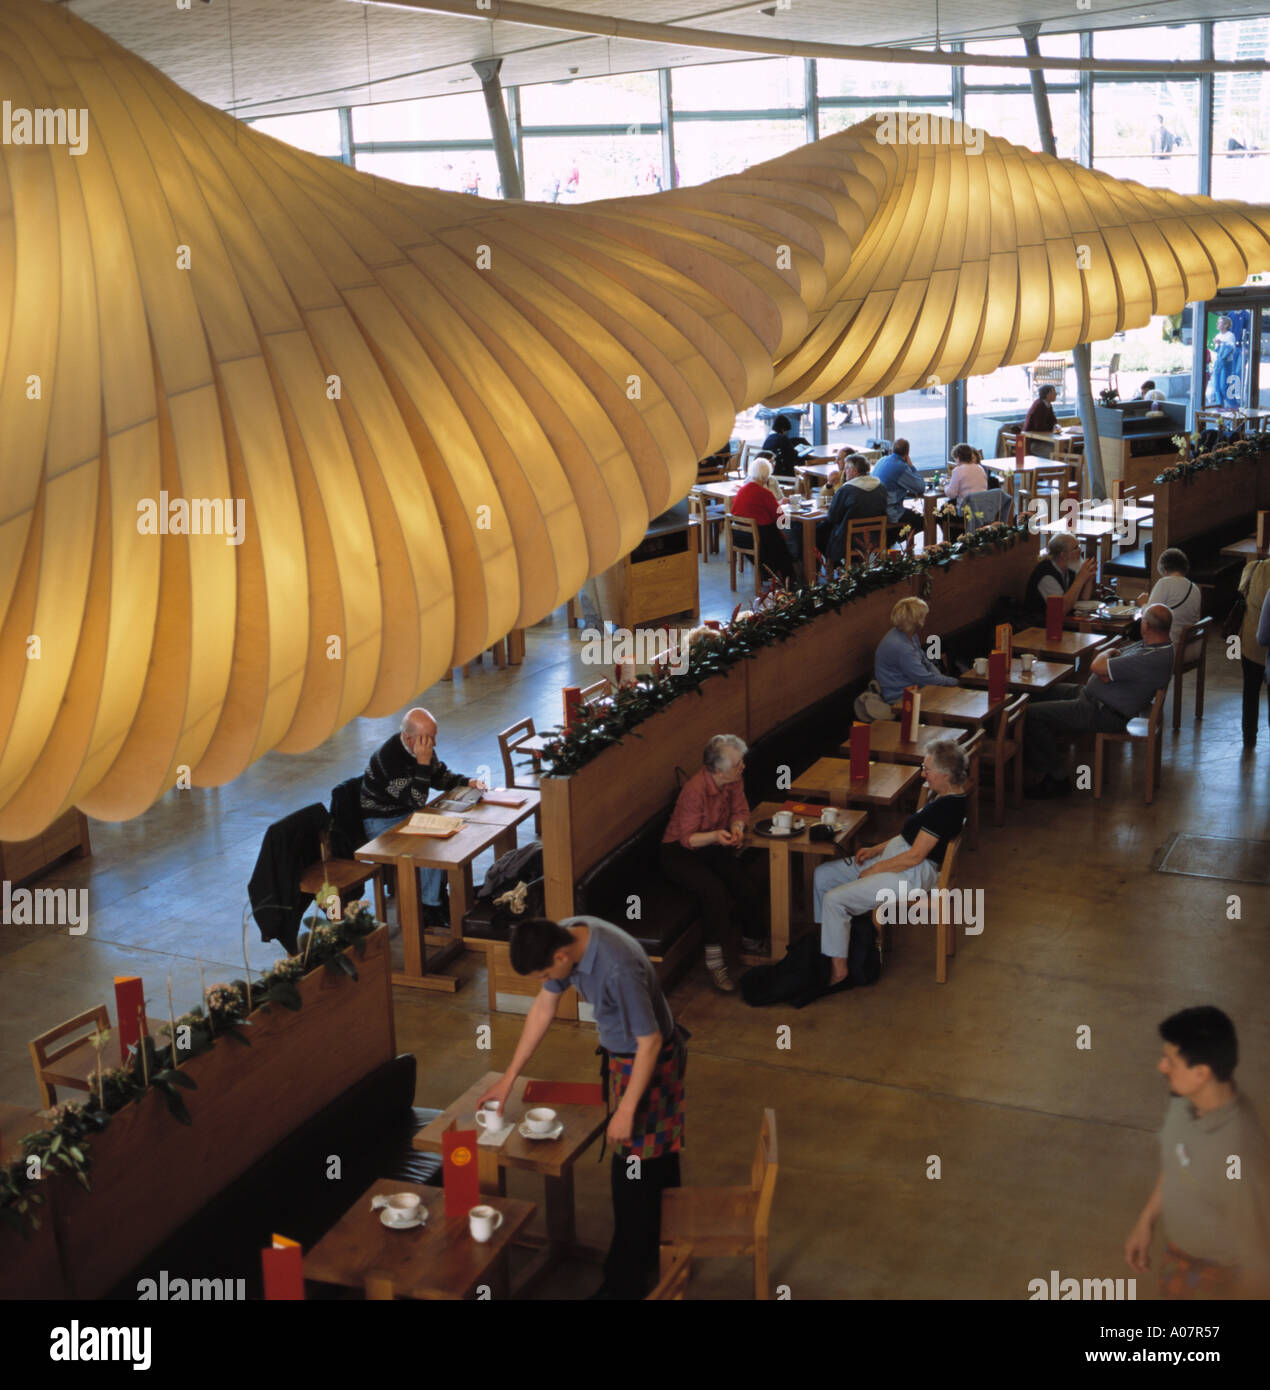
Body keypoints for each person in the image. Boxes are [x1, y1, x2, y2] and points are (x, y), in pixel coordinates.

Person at [476, 917, 688, 1300]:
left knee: (631, 1180)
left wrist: (625, 1110)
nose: (545, 981)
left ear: (559, 956)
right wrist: (508, 1079)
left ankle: (623, 1286)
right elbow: (544, 1008)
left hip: (650, 1062)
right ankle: (666, 1247)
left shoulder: (617, 967)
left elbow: (651, 1042)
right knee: (655, 1164)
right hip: (623, 1054)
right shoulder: (569, 935)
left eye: (543, 973)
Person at [1124, 1007, 1270, 1299]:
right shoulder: (1185, 1103)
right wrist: (1146, 1220)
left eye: (1170, 1061)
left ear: (1201, 1073)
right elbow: (1178, 1162)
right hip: (1180, 1256)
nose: (1160, 1066)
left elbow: (1259, 1258)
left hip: (1216, 1276)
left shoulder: (1237, 1152)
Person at [813, 739, 969, 986]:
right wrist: (875, 850)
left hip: (910, 876)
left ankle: (839, 971)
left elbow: (915, 856)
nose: (923, 774)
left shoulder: (946, 809)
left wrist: (875, 870)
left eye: (927, 769)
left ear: (945, 774)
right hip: (896, 864)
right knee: (823, 875)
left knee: (834, 899)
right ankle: (829, 946)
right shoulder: (944, 796)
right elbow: (909, 837)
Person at [1023, 603, 1176, 798]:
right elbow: (1107, 668)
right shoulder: (1156, 646)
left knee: (1030, 715)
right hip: (1092, 697)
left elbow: (1098, 666)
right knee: (1039, 692)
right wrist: (1108, 667)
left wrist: (1106, 657)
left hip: (1102, 712)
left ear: (1146, 626)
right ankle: (1034, 763)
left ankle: (1056, 777)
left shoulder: (1151, 657)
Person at [360, 708, 486, 925]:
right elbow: (416, 800)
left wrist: (467, 782)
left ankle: (437, 896)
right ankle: (429, 907)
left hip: (406, 813)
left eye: (434, 737)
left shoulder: (421, 746)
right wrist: (422, 763)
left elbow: (439, 776)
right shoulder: (388, 759)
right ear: (408, 738)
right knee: (428, 845)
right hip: (382, 821)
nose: (433, 744)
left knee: (451, 834)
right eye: (429, 739)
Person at [659, 734, 765, 992]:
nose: (743, 767)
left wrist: (737, 827)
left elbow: (740, 810)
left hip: (713, 843)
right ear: (718, 770)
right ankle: (716, 965)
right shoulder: (694, 791)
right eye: (737, 764)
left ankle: (753, 944)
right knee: (714, 892)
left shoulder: (733, 781)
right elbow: (687, 839)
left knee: (744, 883)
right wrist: (718, 836)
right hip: (680, 852)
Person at [874, 597, 960, 704]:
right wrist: (954, 681)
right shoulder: (902, 648)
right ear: (916, 620)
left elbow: (925, 662)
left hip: (916, 688)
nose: (925, 617)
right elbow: (924, 679)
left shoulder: (908, 634)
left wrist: (941, 678)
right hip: (901, 697)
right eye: (923, 615)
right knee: (954, 701)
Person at [729, 457, 797, 584]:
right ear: (767, 476)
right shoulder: (765, 493)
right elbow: (781, 520)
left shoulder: (742, 490)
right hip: (760, 539)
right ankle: (790, 581)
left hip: (739, 536)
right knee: (789, 538)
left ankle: (768, 574)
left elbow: (735, 511)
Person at [818, 453, 887, 569]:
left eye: (846, 469)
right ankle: (853, 564)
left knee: (818, 532)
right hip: (875, 536)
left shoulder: (847, 489)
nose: (844, 473)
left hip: (848, 540)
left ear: (854, 471)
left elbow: (832, 517)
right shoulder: (880, 486)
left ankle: (836, 566)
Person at [1135, 548, 1200, 655]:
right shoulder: (1195, 587)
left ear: (1163, 569)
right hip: (1192, 648)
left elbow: (1149, 618)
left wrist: (1143, 603)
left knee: (1129, 652)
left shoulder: (1164, 583)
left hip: (1170, 650)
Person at [1023, 533, 1097, 622]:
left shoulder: (1070, 567)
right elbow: (1060, 610)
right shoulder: (1046, 574)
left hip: (1063, 621)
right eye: (1075, 548)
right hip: (1042, 626)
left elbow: (1083, 600)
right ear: (1063, 555)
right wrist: (1080, 579)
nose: (1080, 550)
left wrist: (1089, 577)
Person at [1237, 555, 1270, 746]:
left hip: (1251, 642)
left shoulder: (1253, 567)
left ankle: (1249, 737)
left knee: (1250, 691)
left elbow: (1242, 590)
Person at [873, 438, 925, 526]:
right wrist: (911, 466)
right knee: (924, 521)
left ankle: (898, 537)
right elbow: (920, 487)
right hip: (891, 514)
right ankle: (904, 536)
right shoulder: (901, 467)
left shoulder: (882, 460)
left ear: (892, 449)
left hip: (877, 510)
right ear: (907, 453)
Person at [1208, 315, 1238, 407]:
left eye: (1219, 322)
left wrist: (1221, 343)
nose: (1217, 324)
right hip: (1218, 362)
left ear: (1226, 325)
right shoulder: (1218, 335)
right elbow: (1217, 351)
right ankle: (1219, 410)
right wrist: (1218, 344)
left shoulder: (1230, 335)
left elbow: (1231, 349)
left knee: (1224, 387)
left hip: (1226, 363)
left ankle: (1235, 407)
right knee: (1217, 387)